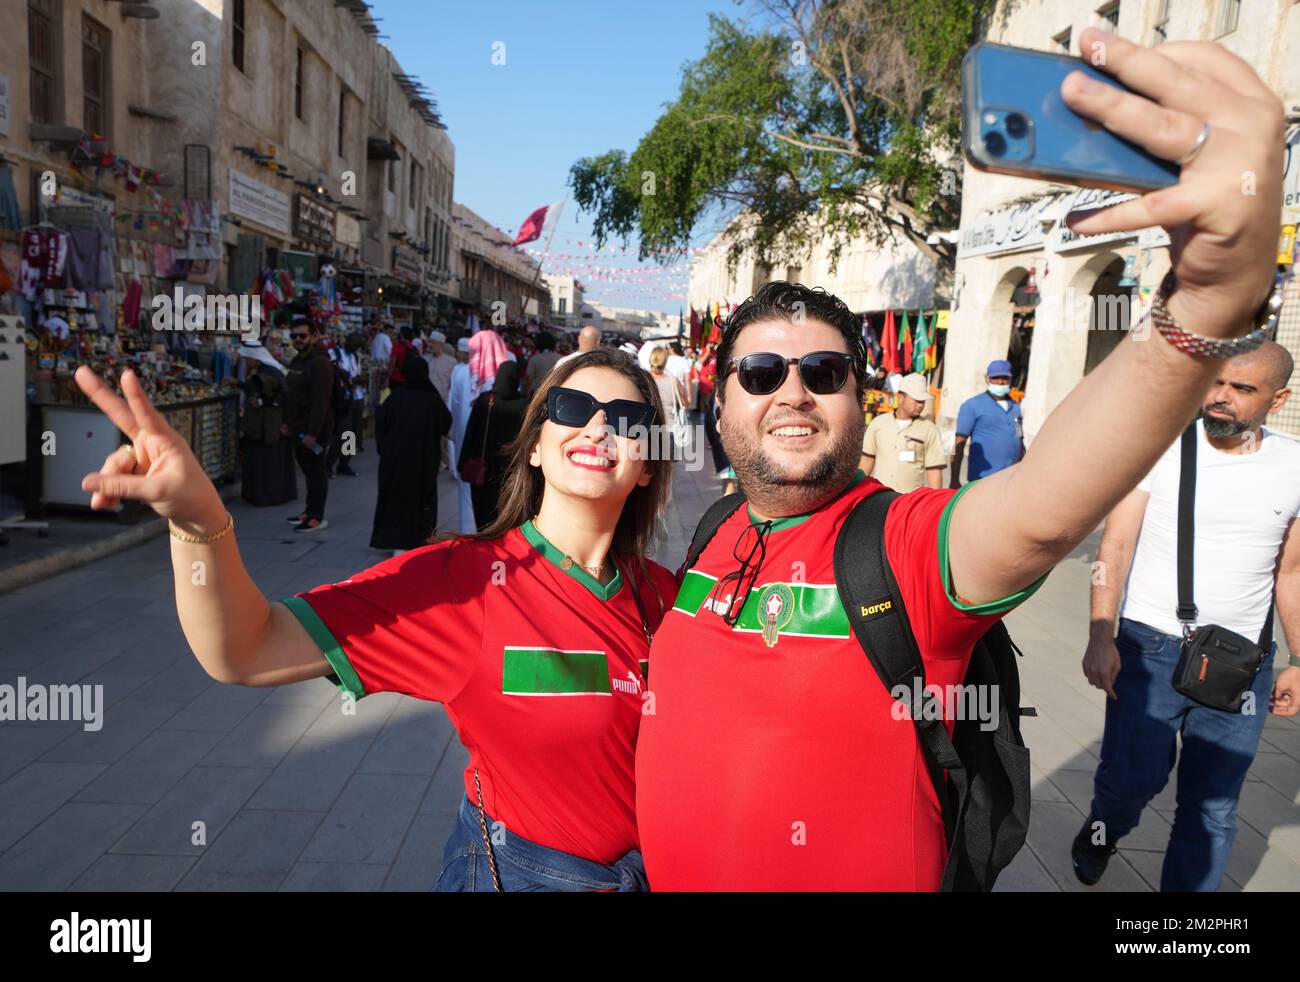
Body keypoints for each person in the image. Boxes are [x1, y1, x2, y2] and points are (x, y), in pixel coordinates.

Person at [635, 26, 1287, 890]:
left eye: (823, 371)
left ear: (858, 402)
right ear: (719, 408)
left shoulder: (903, 547)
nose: (791, 391)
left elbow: (1046, 502)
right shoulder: (713, 528)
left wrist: (1204, 301)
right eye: (760, 372)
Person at [71, 346, 677, 892]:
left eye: (626, 421)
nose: (598, 427)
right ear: (537, 446)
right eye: (572, 407)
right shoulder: (461, 582)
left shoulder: (672, 599)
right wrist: (200, 520)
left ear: (647, 463)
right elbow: (247, 649)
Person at [1077, 342, 1299, 891]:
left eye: (1242, 389)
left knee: (1214, 806)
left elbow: (1291, 573)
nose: (1221, 398)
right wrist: (1100, 633)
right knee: (1132, 780)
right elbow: (1116, 547)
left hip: (1242, 662)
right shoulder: (1161, 448)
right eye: (1216, 382)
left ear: (1279, 399)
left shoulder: (1295, 463)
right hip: (1150, 649)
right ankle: (1104, 828)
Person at [370, 351, 452, 553]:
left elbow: (380, 424)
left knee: (394, 498)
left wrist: (384, 449)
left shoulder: (395, 396)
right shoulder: (432, 398)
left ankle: (392, 539)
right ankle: (418, 539)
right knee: (420, 499)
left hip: (394, 459)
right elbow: (445, 424)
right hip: (422, 461)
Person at [460, 360, 528, 530]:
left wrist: (463, 462)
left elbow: (471, 434)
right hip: (510, 471)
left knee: (483, 514)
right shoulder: (524, 405)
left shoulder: (484, 401)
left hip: (484, 471)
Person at [283, 317, 334, 533]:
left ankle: (316, 516)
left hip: (315, 431)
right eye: (294, 336)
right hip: (298, 428)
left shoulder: (320, 363)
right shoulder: (297, 361)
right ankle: (308, 510)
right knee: (306, 468)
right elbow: (293, 396)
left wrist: (313, 432)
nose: (298, 340)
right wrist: (287, 422)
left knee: (316, 469)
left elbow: (321, 401)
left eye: (302, 336)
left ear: (313, 336)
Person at [860, 372, 945, 492]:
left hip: (911, 504)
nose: (921, 405)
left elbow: (934, 471)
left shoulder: (929, 429)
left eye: (923, 401)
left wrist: (936, 505)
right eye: (916, 400)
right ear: (900, 397)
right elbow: (866, 461)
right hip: (880, 500)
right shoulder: (878, 424)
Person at [236, 340, 296, 507]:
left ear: (256, 358)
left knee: (267, 463)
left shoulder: (269, 372)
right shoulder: (268, 371)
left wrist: (262, 402)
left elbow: (281, 396)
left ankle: (267, 496)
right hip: (267, 426)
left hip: (269, 427)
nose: (246, 363)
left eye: (247, 359)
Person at [950, 359, 1024, 488]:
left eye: (1005, 378)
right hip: (983, 479)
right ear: (987, 378)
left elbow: (1019, 439)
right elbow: (958, 444)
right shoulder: (971, 406)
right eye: (996, 378)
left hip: (1011, 480)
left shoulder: (1015, 407)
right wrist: (954, 479)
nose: (1001, 382)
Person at [448, 336, 477, 533]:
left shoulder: (463, 372)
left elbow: (453, 404)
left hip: (464, 431)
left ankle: (468, 528)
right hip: (470, 431)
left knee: (466, 480)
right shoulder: (460, 370)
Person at [326, 332, 363, 478]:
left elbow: (355, 375)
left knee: (351, 435)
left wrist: (357, 380)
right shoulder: (333, 353)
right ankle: (328, 465)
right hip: (340, 400)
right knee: (342, 433)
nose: (356, 347)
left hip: (354, 397)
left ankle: (344, 463)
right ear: (348, 340)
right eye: (355, 343)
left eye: (358, 345)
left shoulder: (355, 357)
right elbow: (330, 373)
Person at [648, 346, 689, 459]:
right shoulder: (673, 380)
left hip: (648, 429)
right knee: (667, 468)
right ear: (665, 361)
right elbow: (685, 403)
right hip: (669, 429)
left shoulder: (645, 380)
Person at [524, 331, 561, 396]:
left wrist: (527, 399)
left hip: (539, 396)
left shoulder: (534, 359)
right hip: (557, 397)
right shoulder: (561, 358)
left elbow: (529, 382)